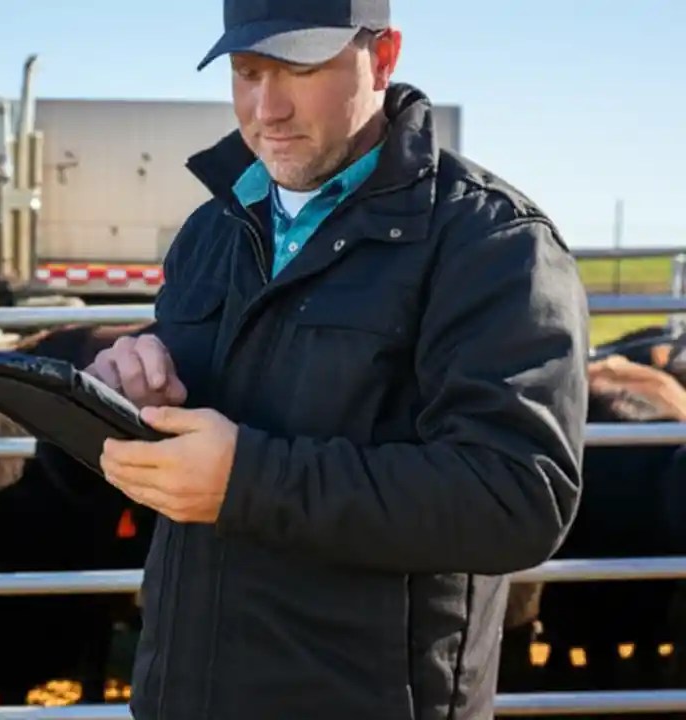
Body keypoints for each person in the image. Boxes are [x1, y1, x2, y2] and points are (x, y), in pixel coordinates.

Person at [86, 0, 590, 717]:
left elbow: (516, 498)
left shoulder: (491, 243)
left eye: (302, 68)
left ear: (383, 58)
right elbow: (181, 445)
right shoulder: (213, 229)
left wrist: (247, 481)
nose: (268, 108)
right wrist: (124, 392)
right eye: (247, 71)